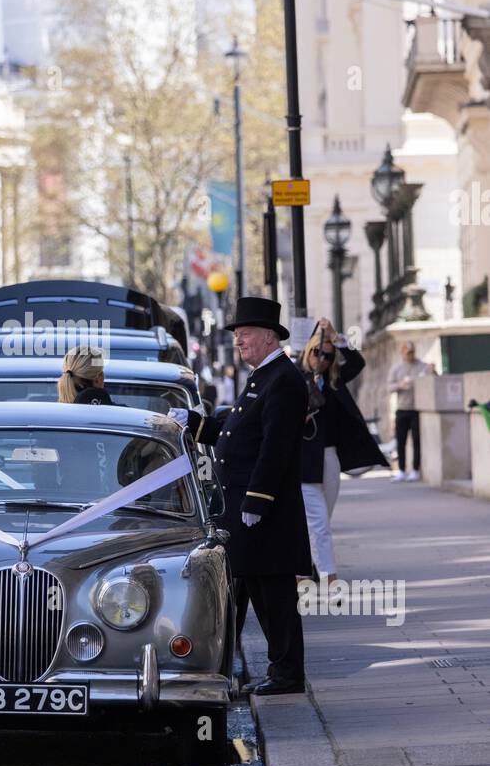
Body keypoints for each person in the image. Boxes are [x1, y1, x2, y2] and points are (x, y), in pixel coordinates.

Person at [186, 297, 311, 696]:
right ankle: (260, 667)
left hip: (264, 513)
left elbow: (274, 447)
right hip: (244, 510)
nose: (238, 341)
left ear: (269, 336)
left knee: (273, 593)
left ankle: (287, 673)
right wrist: (194, 425)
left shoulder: (284, 380)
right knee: (251, 589)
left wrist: (257, 500)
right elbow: (235, 432)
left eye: (245, 334)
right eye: (237, 334)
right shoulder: (263, 377)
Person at [298, 318, 388, 580]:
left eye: (327, 355)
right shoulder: (296, 376)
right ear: (308, 350)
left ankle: (307, 567)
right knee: (319, 523)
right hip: (304, 461)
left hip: (329, 456)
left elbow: (358, 363)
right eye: (317, 352)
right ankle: (327, 576)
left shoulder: (334, 380)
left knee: (323, 518)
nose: (322, 359)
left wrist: (337, 339)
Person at [387, 339, 434, 481]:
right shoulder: (396, 369)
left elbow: (431, 379)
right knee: (400, 441)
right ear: (402, 353)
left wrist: (433, 370)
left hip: (416, 409)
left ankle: (415, 469)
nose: (410, 355)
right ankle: (401, 470)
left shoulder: (422, 366)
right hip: (402, 409)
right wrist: (400, 385)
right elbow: (389, 387)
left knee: (416, 441)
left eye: (412, 352)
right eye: (407, 353)